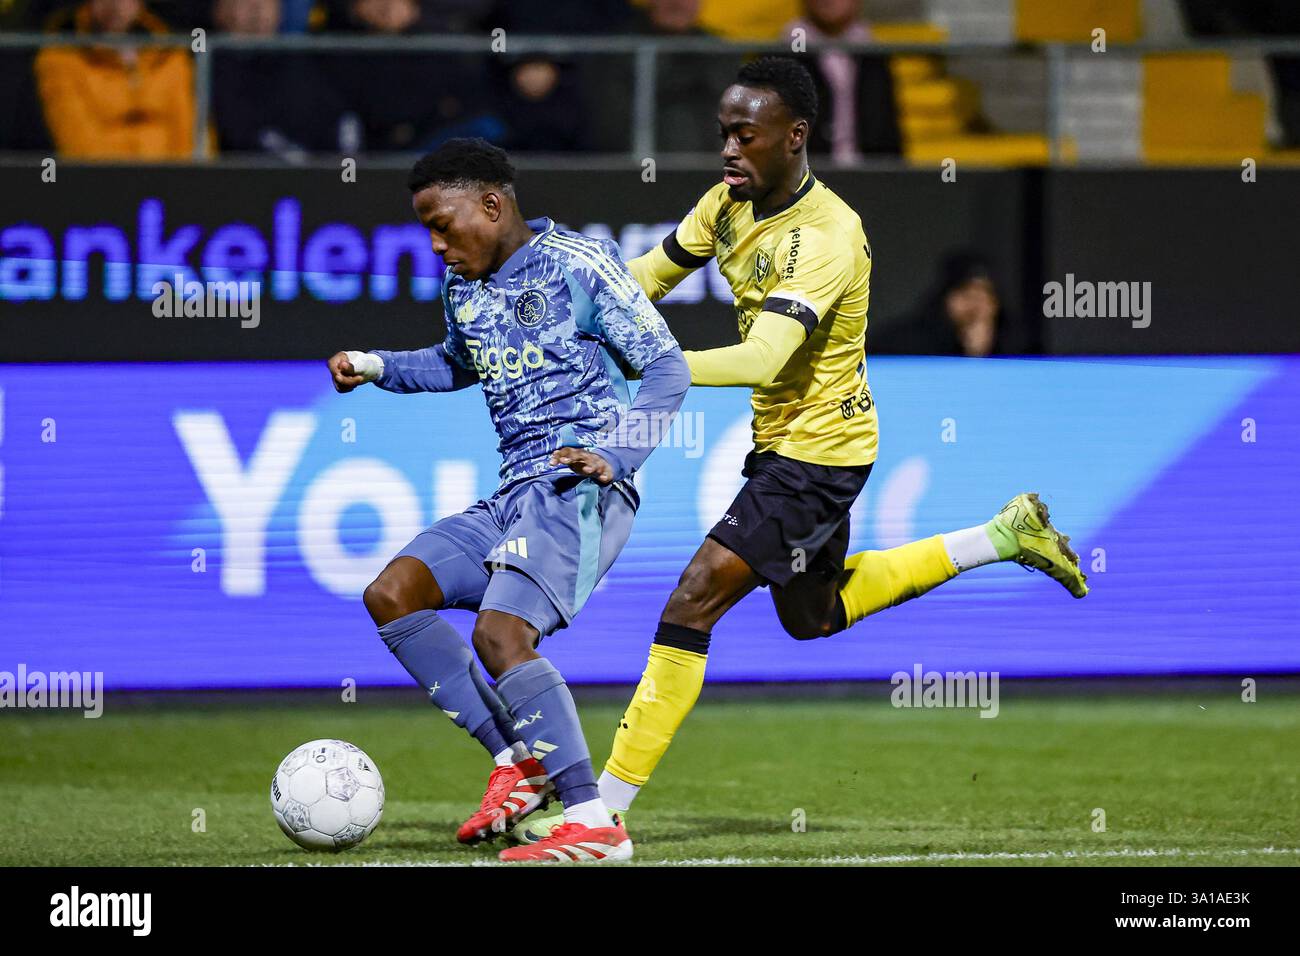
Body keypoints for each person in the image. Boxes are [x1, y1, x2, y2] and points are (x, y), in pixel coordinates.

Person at [519, 58, 1087, 842]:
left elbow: (764, 360)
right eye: (723, 134)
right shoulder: (727, 203)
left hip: (819, 455)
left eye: (744, 136)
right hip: (791, 446)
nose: (727, 150)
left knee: (693, 601)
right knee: (811, 619)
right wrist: (567, 314)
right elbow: (646, 278)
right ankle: (1000, 535)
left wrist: (649, 369)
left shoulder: (826, 236)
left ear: (796, 137)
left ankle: (603, 816)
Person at [328, 138, 690, 862]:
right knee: (393, 592)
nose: (435, 244)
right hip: (512, 493)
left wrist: (614, 456)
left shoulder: (579, 267)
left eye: (442, 222)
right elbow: (456, 361)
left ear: (492, 204)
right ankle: (518, 761)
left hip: (578, 487)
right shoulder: (464, 288)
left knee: (500, 635)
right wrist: (375, 366)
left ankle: (593, 821)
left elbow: (666, 370)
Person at [35, 0, 195, 159]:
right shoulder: (60, 56)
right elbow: (79, 145)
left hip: (170, 177)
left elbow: (192, 135)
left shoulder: (170, 52)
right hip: (103, 179)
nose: (115, 5)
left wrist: (183, 178)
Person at [874, 252, 1016, 357]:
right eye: (965, 293)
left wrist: (980, 355)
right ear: (944, 297)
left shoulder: (1015, 346)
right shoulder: (904, 343)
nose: (975, 305)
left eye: (985, 295)